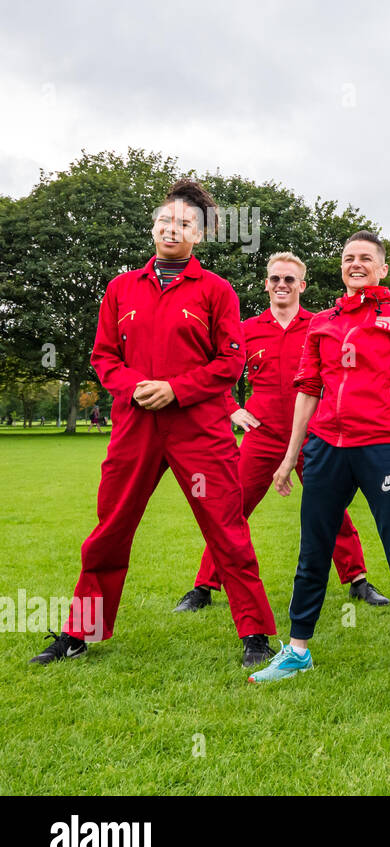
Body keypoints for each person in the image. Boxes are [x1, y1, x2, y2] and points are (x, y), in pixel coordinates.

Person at [31, 179, 278, 668]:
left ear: (199, 236)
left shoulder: (216, 291)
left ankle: (255, 633)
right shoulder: (121, 288)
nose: (173, 228)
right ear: (153, 227)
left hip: (200, 430)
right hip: (134, 427)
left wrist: (177, 389)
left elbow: (230, 362)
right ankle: (81, 632)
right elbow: (103, 356)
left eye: (184, 224)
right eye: (165, 220)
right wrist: (132, 385)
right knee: (110, 529)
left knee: (227, 530)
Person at [249, 231, 390, 685]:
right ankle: (298, 651)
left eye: (365, 258)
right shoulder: (322, 322)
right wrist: (289, 457)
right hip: (326, 450)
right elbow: (308, 392)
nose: (355, 264)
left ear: (382, 268)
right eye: (347, 258)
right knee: (313, 550)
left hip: (382, 449)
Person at [173, 252, 389, 615]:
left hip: (313, 434)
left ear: (301, 285)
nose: (282, 285)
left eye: (289, 279)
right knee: (231, 507)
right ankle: (204, 585)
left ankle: (357, 580)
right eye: (275, 279)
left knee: (331, 508)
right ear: (267, 285)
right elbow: (214, 371)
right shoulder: (246, 329)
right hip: (262, 433)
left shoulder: (321, 325)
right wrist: (232, 408)